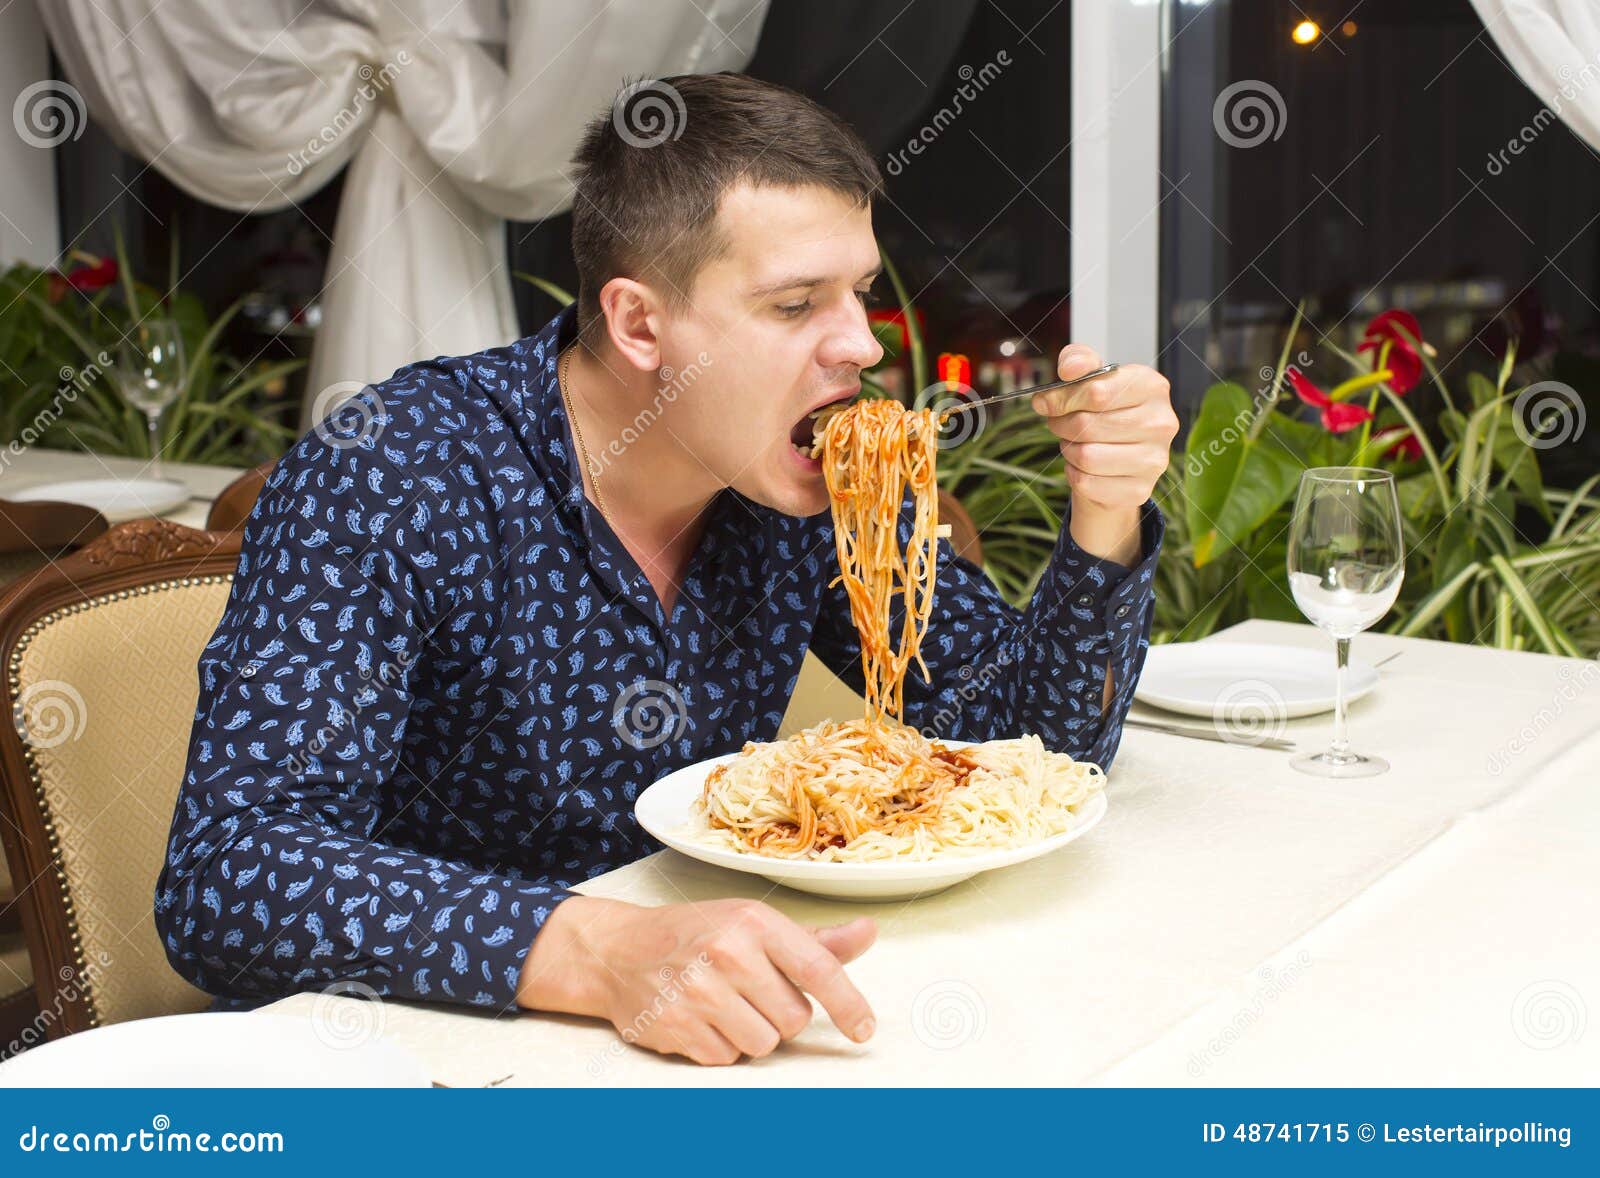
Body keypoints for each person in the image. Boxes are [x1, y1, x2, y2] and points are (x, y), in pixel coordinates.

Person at [156, 72, 1176, 1067]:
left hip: (707, 1036)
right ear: (641, 323)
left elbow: (1033, 751)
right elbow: (229, 874)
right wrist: (600, 951)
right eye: (793, 305)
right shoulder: (393, 474)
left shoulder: (808, 483)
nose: (862, 344)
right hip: (403, 1056)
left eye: (859, 291)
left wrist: (1104, 516)